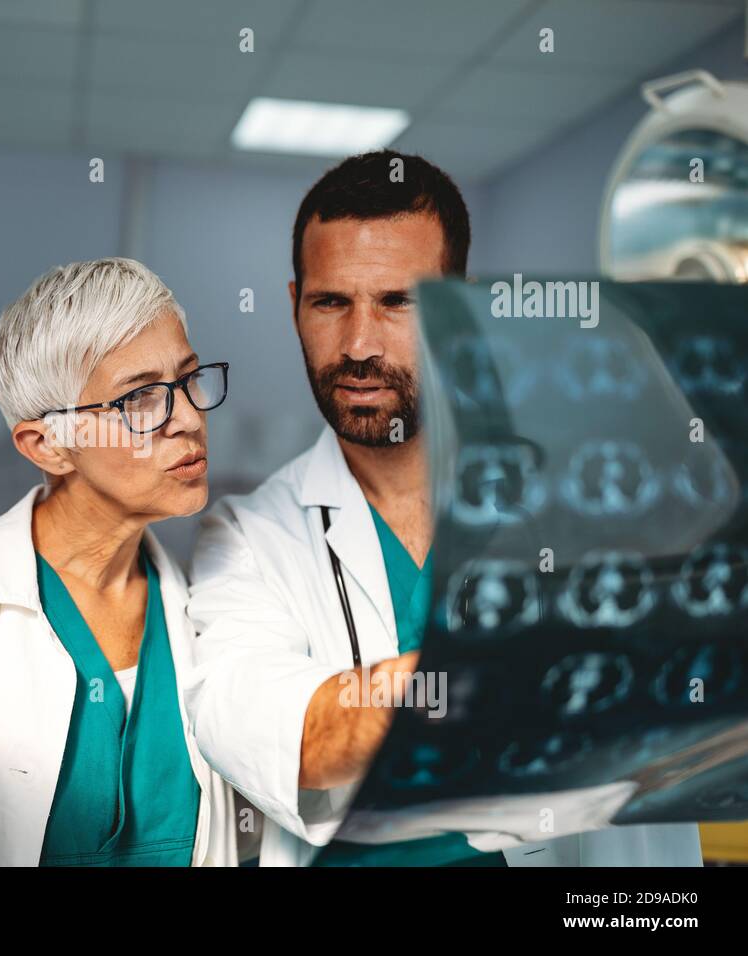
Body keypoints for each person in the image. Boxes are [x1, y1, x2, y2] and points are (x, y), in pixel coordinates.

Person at [184, 149, 704, 867]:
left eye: (399, 301)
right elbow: (276, 732)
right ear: (295, 304)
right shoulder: (248, 538)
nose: (359, 346)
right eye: (331, 302)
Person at [0, 258, 238, 866]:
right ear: (47, 444)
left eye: (190, 379)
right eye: (139, 400)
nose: (187, 418)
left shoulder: (215, 615)